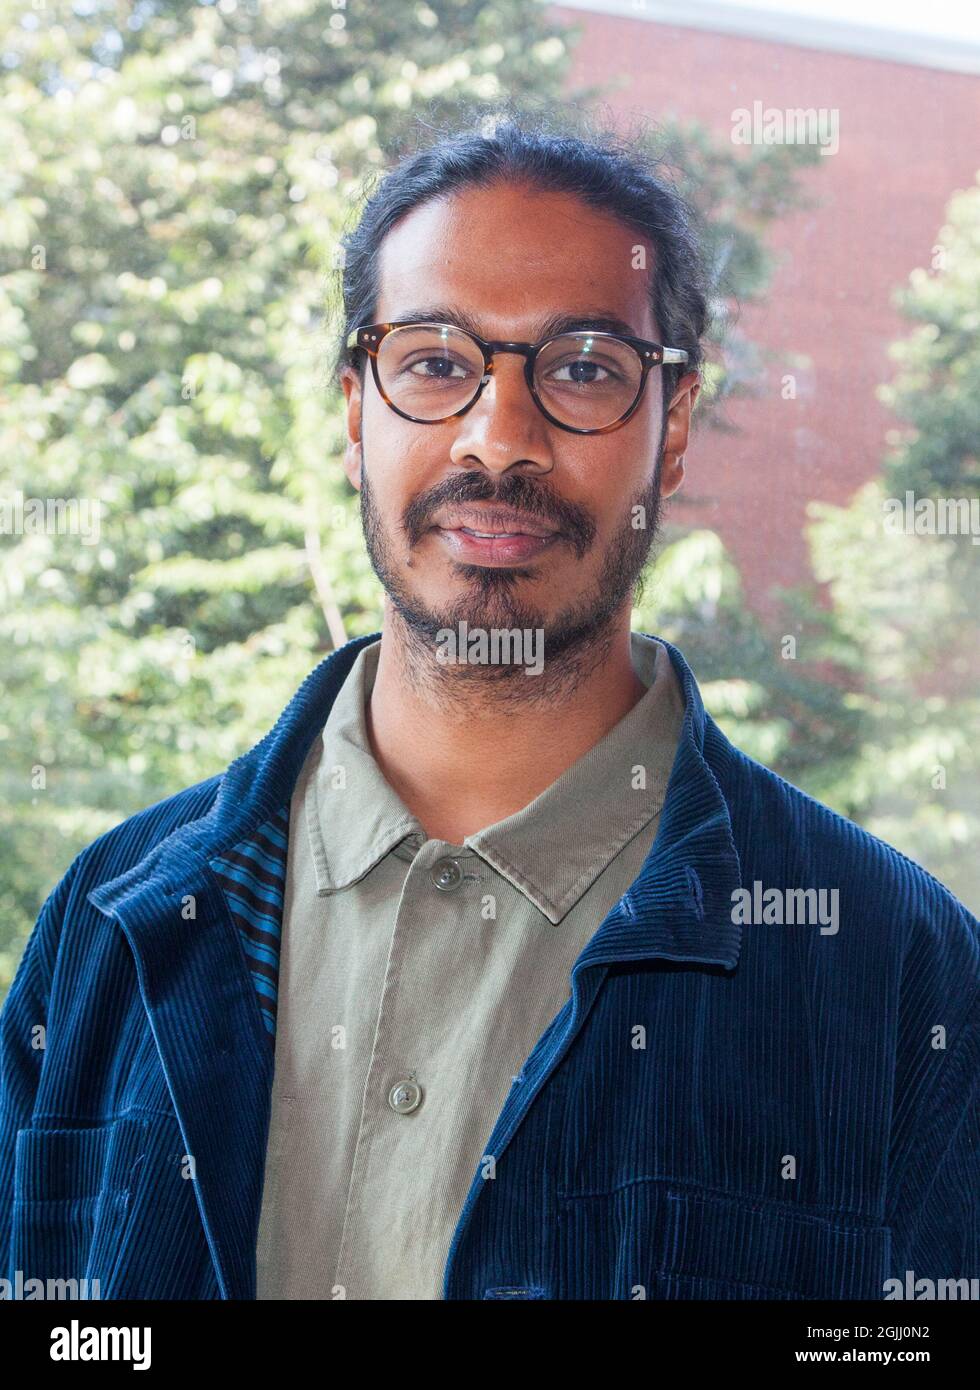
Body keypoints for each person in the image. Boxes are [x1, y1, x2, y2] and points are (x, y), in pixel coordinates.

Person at [1, 117, 976, 1302]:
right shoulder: (108, 924)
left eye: (580, 369)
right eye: (431, 360)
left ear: (670, 429)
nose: (497, 439)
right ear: (355, 408)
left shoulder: (898, 971)